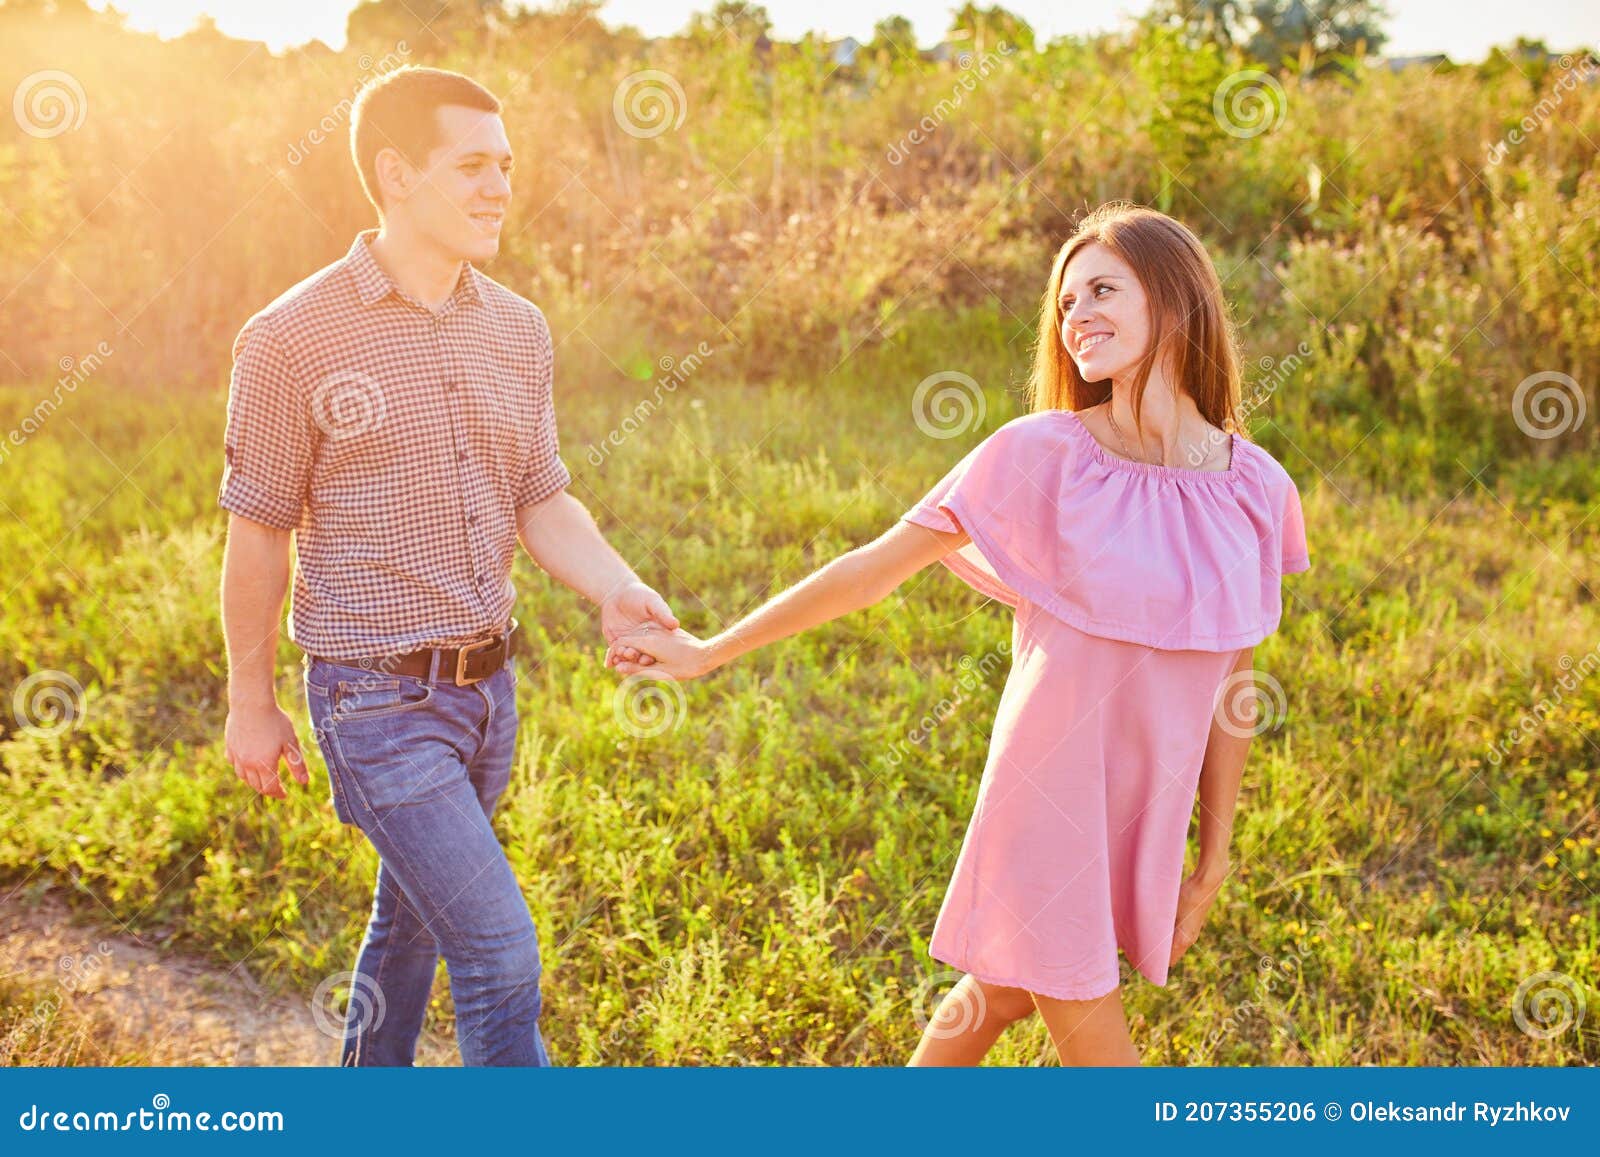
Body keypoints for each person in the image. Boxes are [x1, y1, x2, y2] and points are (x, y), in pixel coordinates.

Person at [607, 202, 1311, 1066]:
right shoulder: (1040, 454)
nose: (1075, 315)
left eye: (1101, 290)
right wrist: (710, 650)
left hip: (1139, 808)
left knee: (998, 992)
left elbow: (1230, 690)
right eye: (1064, 301)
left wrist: (1212, 858)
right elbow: (872, 569)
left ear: (1175, 295)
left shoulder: (1257, 491)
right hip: (1047, 795)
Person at [218, 66, 676, 1066]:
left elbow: (538, 497)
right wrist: (249, 699)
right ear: (393, 173)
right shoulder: (290, 337)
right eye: (471, 165)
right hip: (372, 703)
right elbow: (256, 530)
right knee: (500, 950)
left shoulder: (518, 328)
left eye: (505, 165)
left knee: (415, 924)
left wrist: (614, 585)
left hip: (489, 693)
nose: (500, 187)